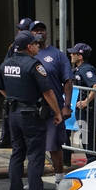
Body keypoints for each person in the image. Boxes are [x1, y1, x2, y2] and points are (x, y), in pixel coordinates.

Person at [0, 32, 62, 190]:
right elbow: (48, 92)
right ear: (29, 47)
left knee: (17, 153)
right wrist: (57, 112)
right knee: (35, 155)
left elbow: (1, 88)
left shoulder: (6, 64)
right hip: (31, 114)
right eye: (35, 44)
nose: (38, 46)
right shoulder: (34, 65)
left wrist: (15, 97)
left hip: (13, 113)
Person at [30, 21, 73, 177]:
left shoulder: (57, 54)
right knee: (34, 146)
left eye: (42, 30)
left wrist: (66, 105)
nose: (39, 33)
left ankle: (59, 178)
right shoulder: (26, 54)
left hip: (53, 109)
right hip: (33, 108)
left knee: (54, 146)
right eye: (35, 31)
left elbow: (68, 80)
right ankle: (35, 180)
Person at [0, 18, 35, 149]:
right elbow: (6, 64)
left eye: (23, 29)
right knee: (8, 110)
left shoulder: (34, 46)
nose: (19, 32)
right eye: (19, 29)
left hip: (28, 86)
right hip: (15, 82)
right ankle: (6, 138)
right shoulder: (14, 45)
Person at [68, 42, 96, 163]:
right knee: (84, 136)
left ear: (80, 56)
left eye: (74, 53)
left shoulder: (86, 69)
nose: (71, 55)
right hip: (78, 109)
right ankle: (91, 160)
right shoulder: (77, 69)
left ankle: (92, 161)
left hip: (86, 110)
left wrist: (86, 101)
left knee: (87, 137)